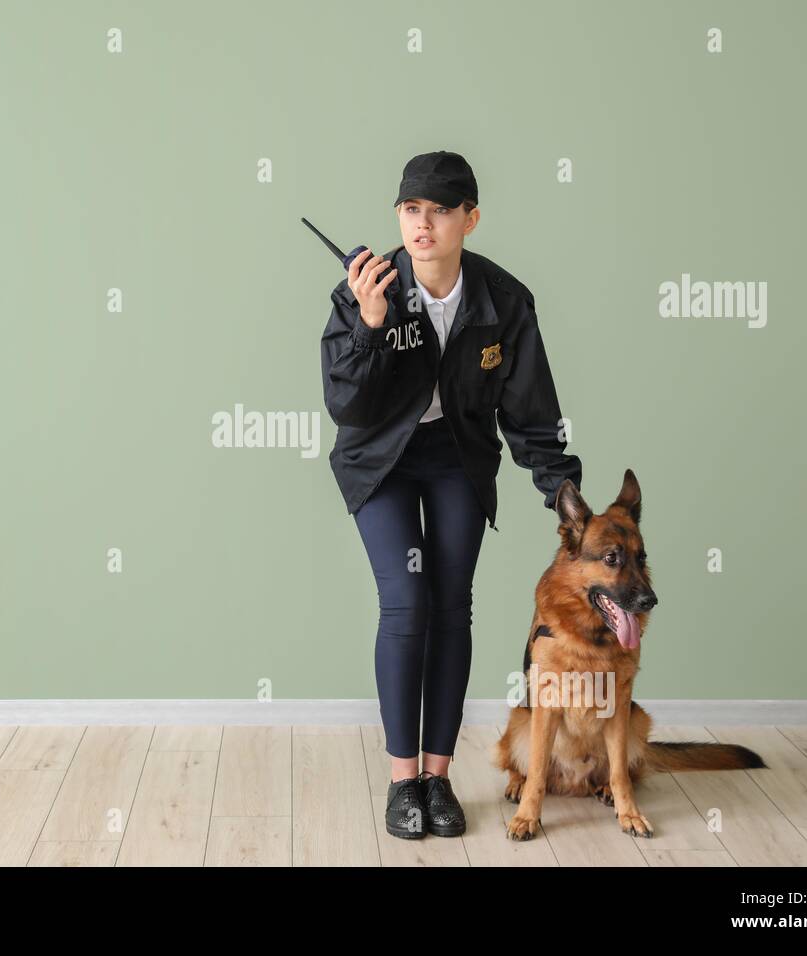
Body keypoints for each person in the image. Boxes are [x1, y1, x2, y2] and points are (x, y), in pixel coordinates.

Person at [320, 151, 583, 839]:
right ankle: (402, 781)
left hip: (457, 458)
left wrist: (564, 494)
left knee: (452, 607)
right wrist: (371, 326)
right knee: (406, 604)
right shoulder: (362, 291)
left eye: (439, 210)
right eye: (411, 210)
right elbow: (346, 405)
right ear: (397, 217)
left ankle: (438, 779)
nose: (423, 225)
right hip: (382, 460)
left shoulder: (503, 302)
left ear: (470, 217)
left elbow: (531, 413)